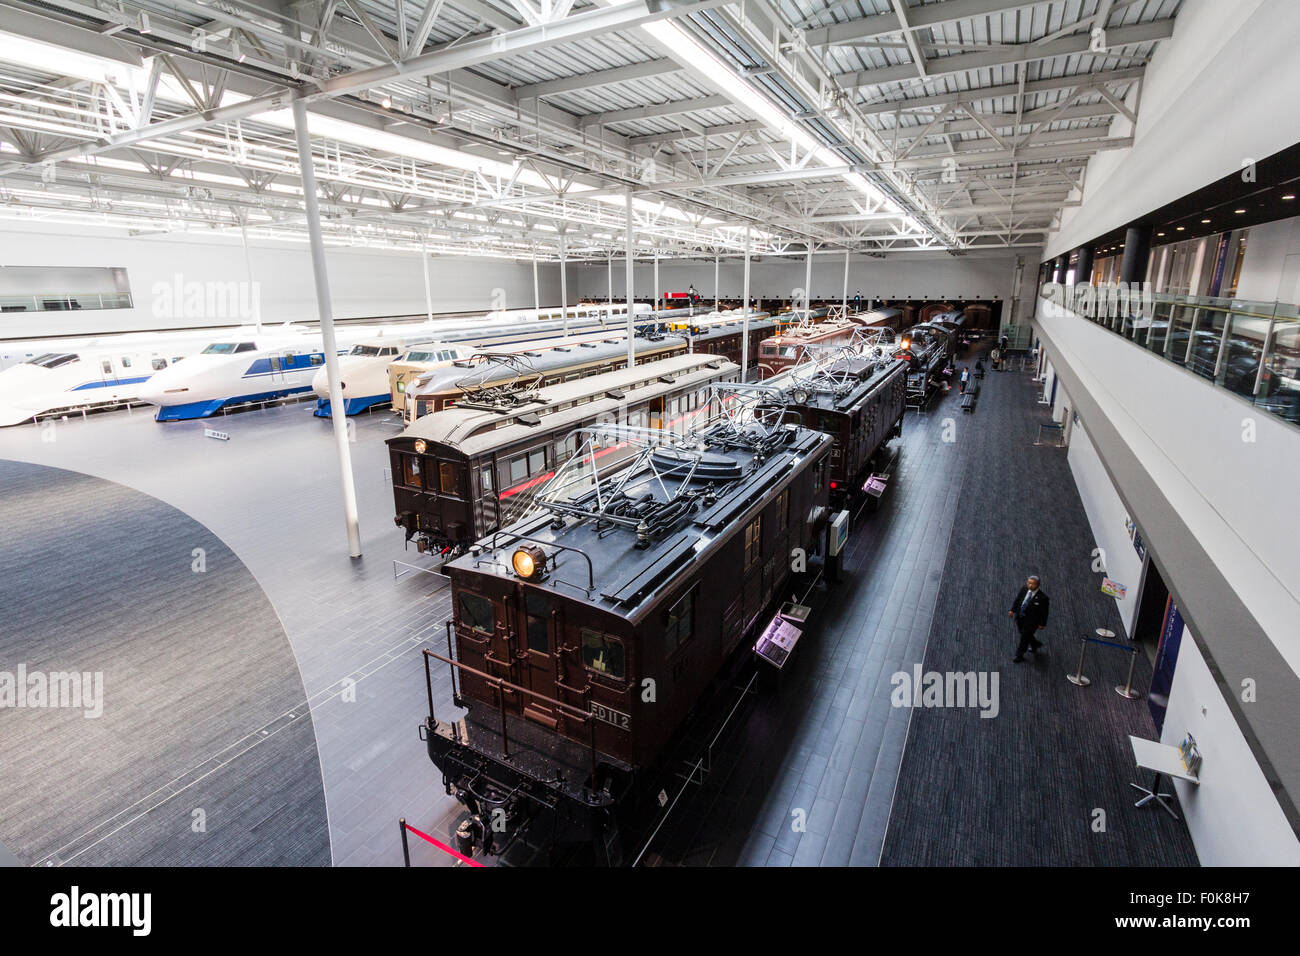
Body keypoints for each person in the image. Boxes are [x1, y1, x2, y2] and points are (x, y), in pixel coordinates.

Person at [1008, 575, 1049, 662]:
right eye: (1029, 583)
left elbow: (1044, 612)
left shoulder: (1043, 598)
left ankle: (1019, 655)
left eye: (1033, 584)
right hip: (1020, 617)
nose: (1030, 585)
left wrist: (1042, 623)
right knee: (1022, 633)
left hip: (1031, 622)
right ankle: (1035, 644)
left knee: (1024, 638)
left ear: (1038, 585)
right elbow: (1018, 600)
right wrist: (1013, 610)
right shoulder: (1024, 589)